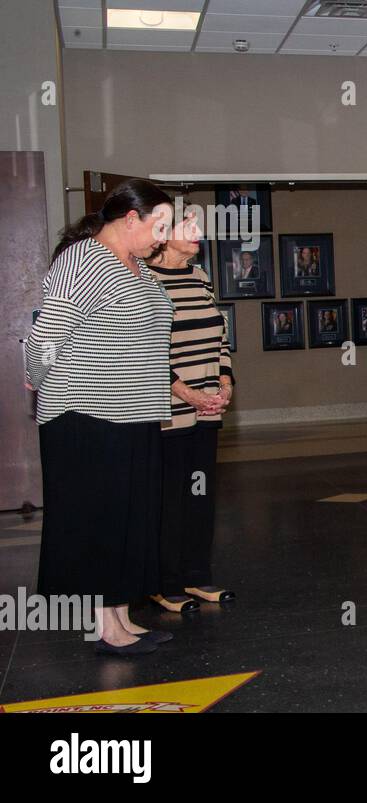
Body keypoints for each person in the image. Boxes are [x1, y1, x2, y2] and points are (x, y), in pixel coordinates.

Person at [22, 179, 177, 656]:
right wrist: (36, 373)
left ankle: (121, 618)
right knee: (97, 520)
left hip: (133, 414)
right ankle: (103, 628)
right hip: (87, 416)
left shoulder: (136, 268)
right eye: (160, 225)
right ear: (130, 218)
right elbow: (47, 333)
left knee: (128, 520)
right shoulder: (83, 260)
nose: (164, 237)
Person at [148, 208, 237, 614]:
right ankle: (163, 583)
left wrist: (225, 381)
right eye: (189, 227)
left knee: (200, 492)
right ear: (164, 236)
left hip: (207, 406)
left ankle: (197, 576)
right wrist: (184, 392)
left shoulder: (200, 277)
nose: (198, 233)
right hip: (168, 408)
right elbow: (146, 346)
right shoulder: (145, 279)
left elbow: (220, 337)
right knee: (169, 497)